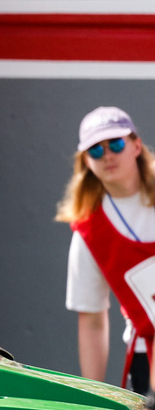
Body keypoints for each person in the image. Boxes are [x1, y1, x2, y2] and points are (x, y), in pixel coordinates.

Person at [59, 106, 155, 392]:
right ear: (86, 162)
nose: (108, 155)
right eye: (96, 150)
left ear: (136, 145)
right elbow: (92, 320)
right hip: (146, 357)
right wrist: (96, 394)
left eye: (115, 143)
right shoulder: (89, 231)